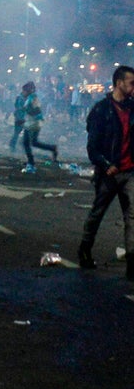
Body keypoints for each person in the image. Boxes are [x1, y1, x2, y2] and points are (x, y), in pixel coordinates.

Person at [78, 65, 134, 273]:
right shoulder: (101, 110)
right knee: (97, 213)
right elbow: (92, 147)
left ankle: (132, 263)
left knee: (132, 217)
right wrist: (105, 164)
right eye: (131, 83)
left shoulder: (132, 108)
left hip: (129, 172)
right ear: (119, 83)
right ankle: (84, 249)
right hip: (109, 174)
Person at [18, 80, 58, 173]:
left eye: (24, 91)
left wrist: (26, 111)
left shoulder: (33, 98)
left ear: (28, 91)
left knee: (27, 143)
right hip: (30, 123)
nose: (22, 93)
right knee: (32, 142)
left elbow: (37, 110)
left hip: (34, 123)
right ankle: (51, 149)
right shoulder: (30, 98)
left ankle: (31, 161)